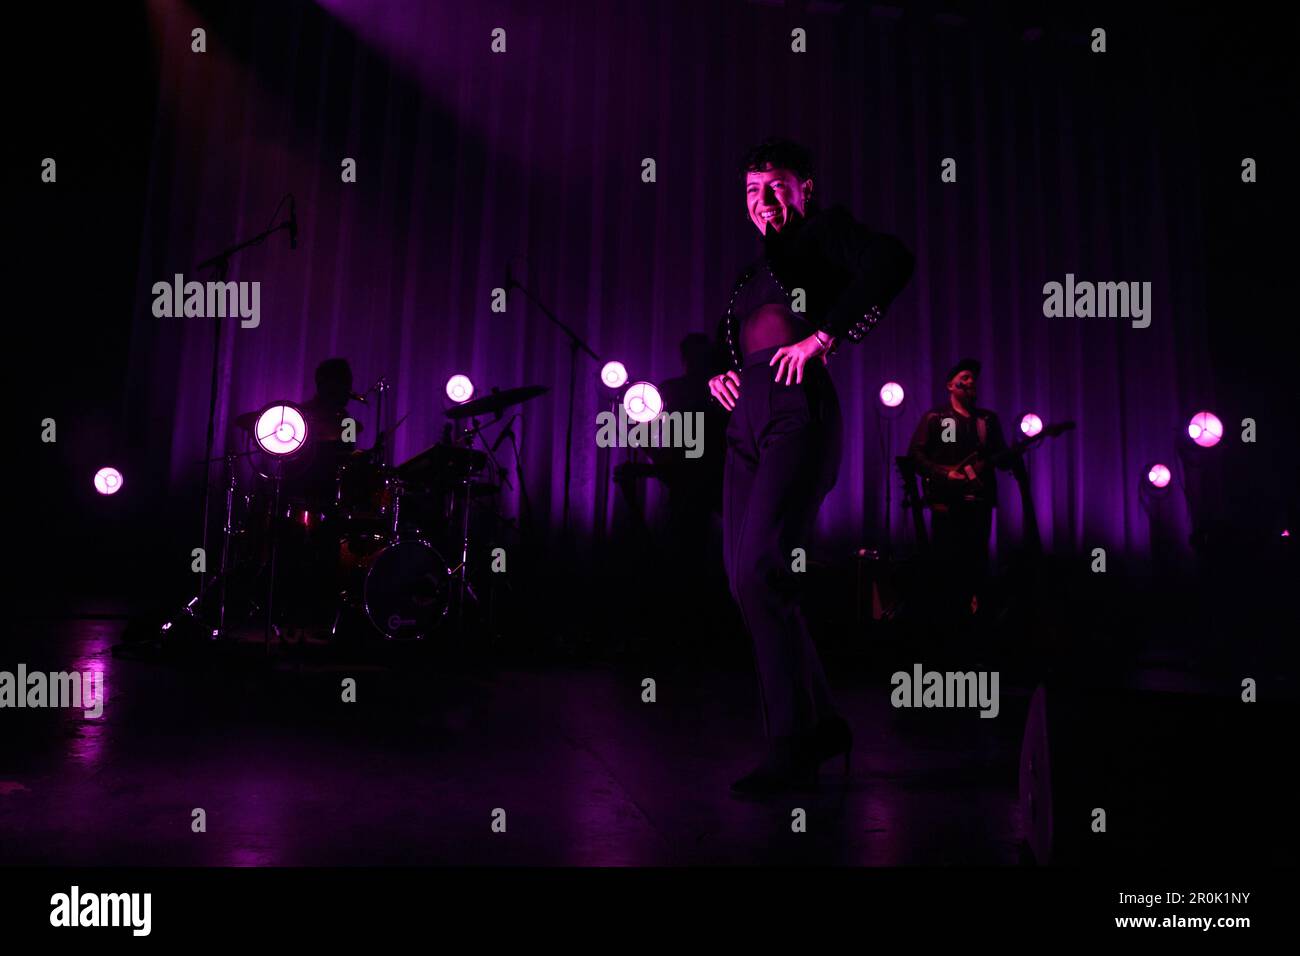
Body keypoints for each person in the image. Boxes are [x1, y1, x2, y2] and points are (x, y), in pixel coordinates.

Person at [708, 138, 914, 795]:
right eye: (751, 193)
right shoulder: (754, 271)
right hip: (747, 425)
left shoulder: (827, 234)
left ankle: (793, 743)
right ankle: (821, 723)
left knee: (759, 570)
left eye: (776, 187)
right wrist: (725, 375)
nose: (763, 203)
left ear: (805, 188)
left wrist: (825, 336)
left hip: (800, 416)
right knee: (747, 579)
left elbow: (891, 262)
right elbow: (735, 336)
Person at [906, 359, 1010, 620]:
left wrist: (1013, 455)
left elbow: (1001, 455)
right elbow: (916, 455)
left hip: (979, 502)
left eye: (974, 377)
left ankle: (976, 619)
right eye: (965, 376)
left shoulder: (987, 420)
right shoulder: (935, 418)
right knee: (947, 561)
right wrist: (943, 473)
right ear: (950, 386)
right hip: (947, 503)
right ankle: (947, 620)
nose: (971, 381)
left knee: (978, 560)